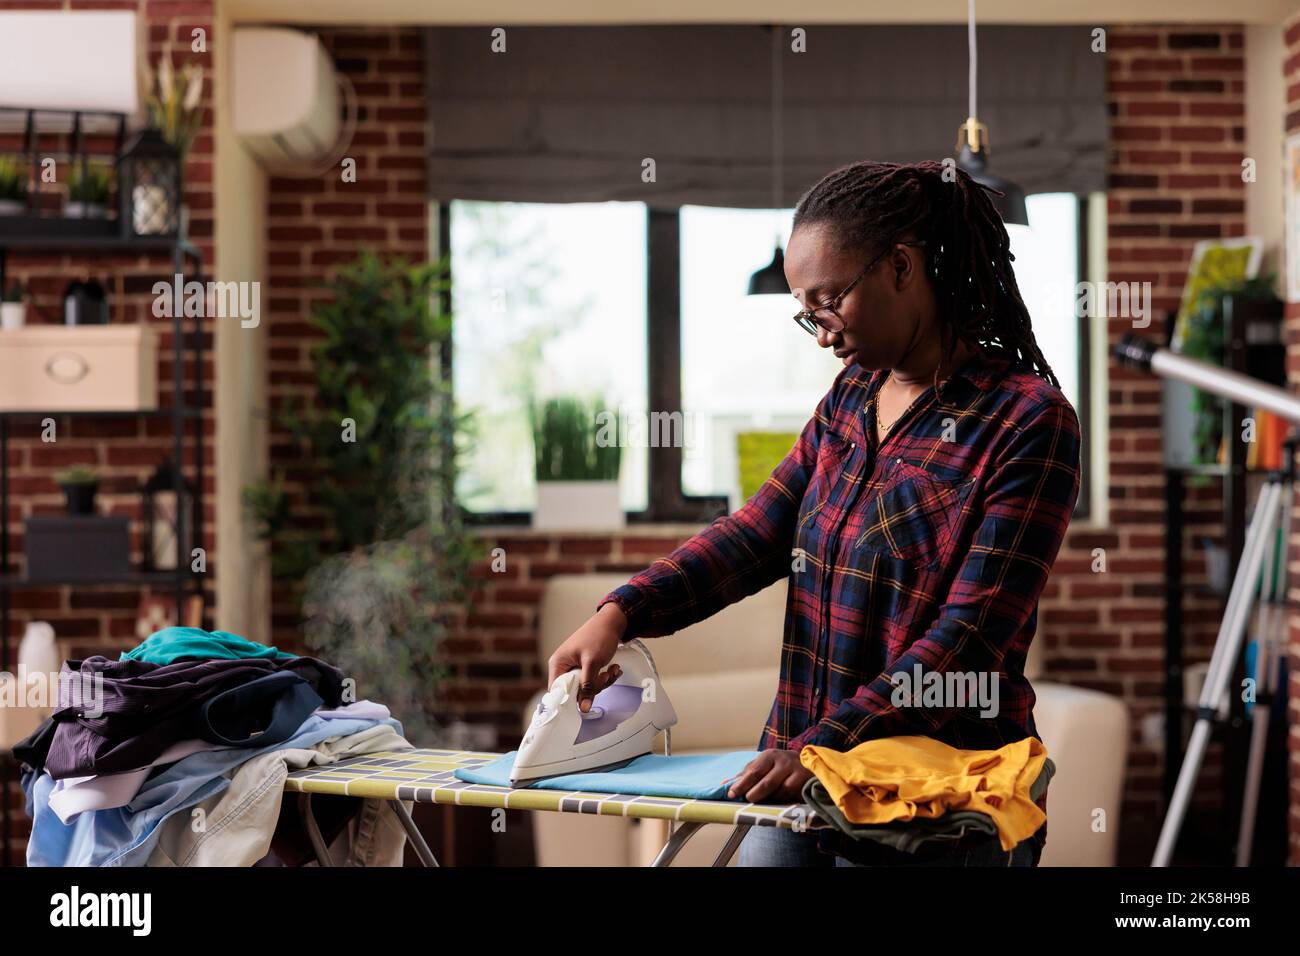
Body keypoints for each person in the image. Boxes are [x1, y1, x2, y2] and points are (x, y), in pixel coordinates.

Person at [546, 160, 1081, 866]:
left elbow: (970, 637)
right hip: (799, 780)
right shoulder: (850, 400)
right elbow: (755, 535)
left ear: (900, 266)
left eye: (831, 301)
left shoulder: (1025, 422)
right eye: (807, 311)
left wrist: (830, 743)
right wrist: (621, 611)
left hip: (933, 797)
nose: (822, 332)